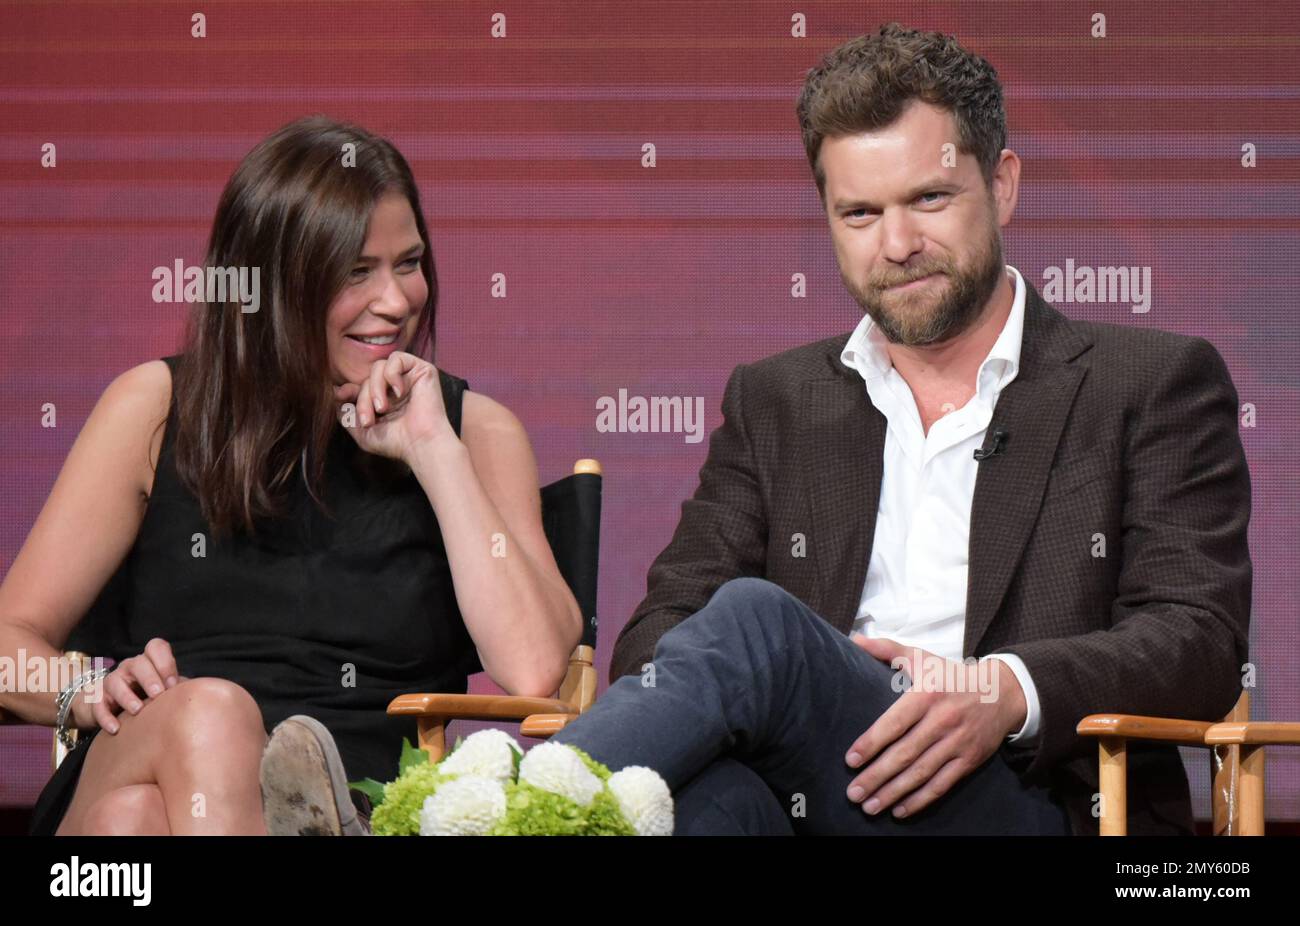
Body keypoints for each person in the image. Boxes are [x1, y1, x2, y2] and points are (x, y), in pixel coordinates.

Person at [268, 23, 1252, 836]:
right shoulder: (779, 399)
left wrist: (1004, 686)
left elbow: (1198, 638)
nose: (896, 244)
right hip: (809, 796)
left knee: (755, 625)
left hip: (1033, 801)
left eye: (929, 200)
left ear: (1000, 185)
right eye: (859, 212)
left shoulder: (1146, 382)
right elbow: (654, 640)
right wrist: (802, 680)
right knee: (702, 800)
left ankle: (448, 824)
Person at [0, 115, 583, 835]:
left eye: (409, 263)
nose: (398, 302)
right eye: (356, 272)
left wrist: (435, 451)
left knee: (134, 823)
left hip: (356, 808)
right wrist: (85, 689)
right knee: (210, 715)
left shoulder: (476, 431)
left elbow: (532, 670)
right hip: (156, 742)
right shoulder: (152, 409)